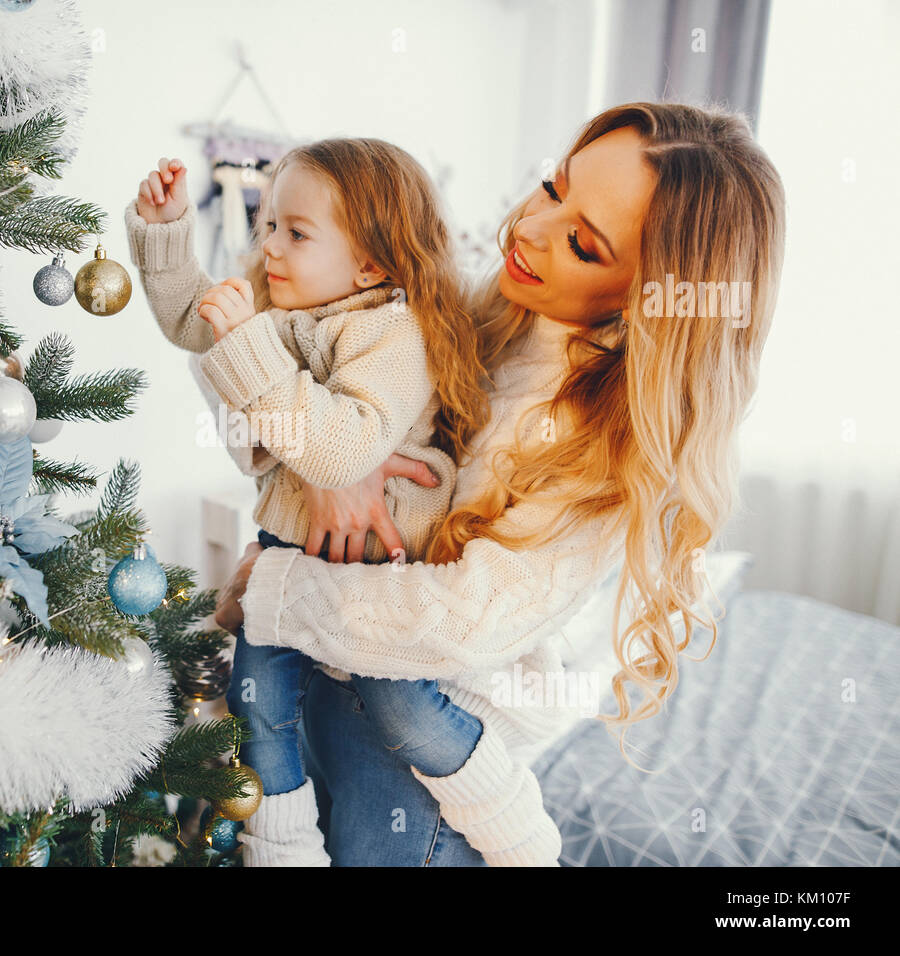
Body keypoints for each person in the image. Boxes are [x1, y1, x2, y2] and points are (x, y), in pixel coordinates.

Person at [214, 101, 786, 866]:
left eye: (583, 242)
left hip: (412, 787)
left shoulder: (612, 443)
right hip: (318, 701)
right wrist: (336, 462)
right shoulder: (484, 316)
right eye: (554, 188)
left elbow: (460, 622)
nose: (530, 229)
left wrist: (276, 586)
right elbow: (267, 401)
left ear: (647, 295)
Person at [125, 137, 564, 865]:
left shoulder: (392, 334)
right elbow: (192, 322)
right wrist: (168, 234)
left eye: (296, 234)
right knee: (257, 702)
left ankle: (515, 829)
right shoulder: (283, 308)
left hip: (373, 573)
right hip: (287, 553)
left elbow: (337, 451)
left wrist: (248, 345)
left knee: (401, 708)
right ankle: (284, 846)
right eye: (268, 225)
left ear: (372, 263)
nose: (270, 247)